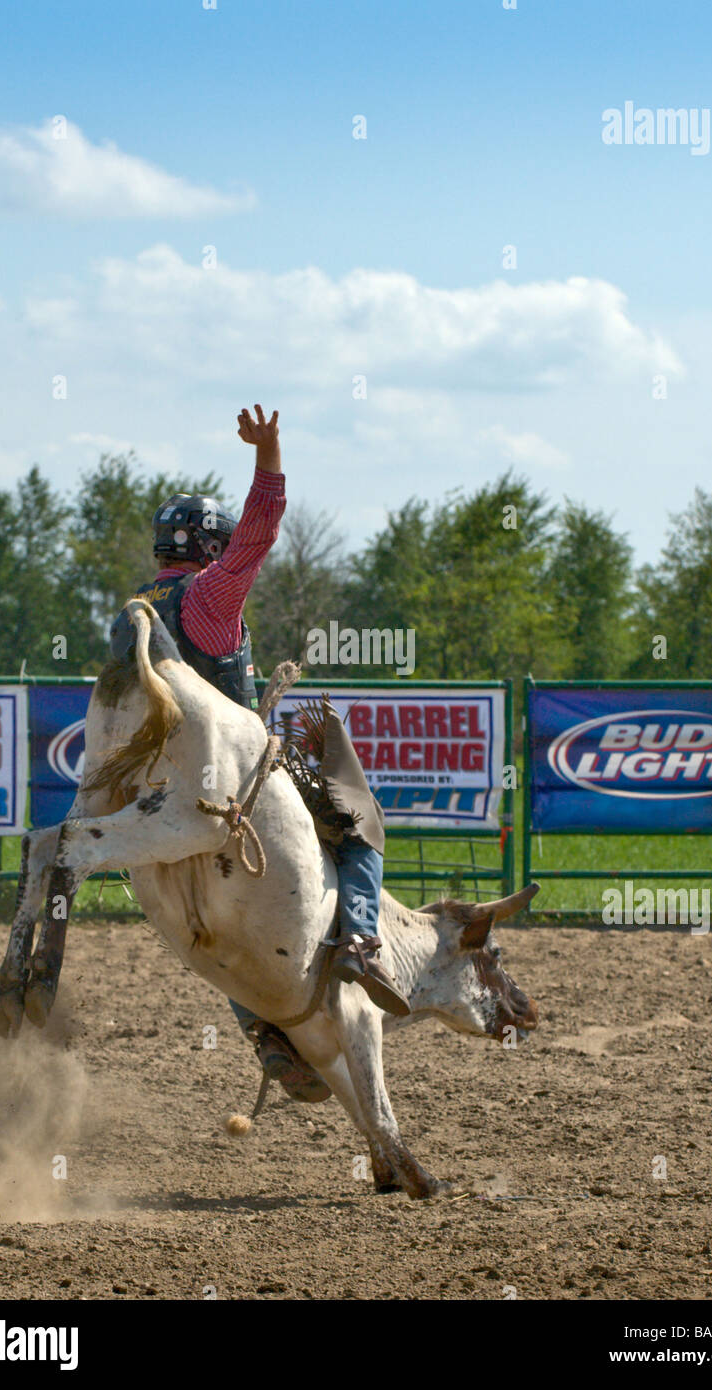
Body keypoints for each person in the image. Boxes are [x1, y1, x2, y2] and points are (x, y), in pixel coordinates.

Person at [109, 406, 409, 1105]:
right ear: (210, 549)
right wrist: (269, 451)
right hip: (231, 774)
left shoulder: (131, 613)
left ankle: (261, 1028)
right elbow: (260, 532)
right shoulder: (211, 593)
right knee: (359, 826)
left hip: (150, 784)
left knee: (211, 938)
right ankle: (361, 941)